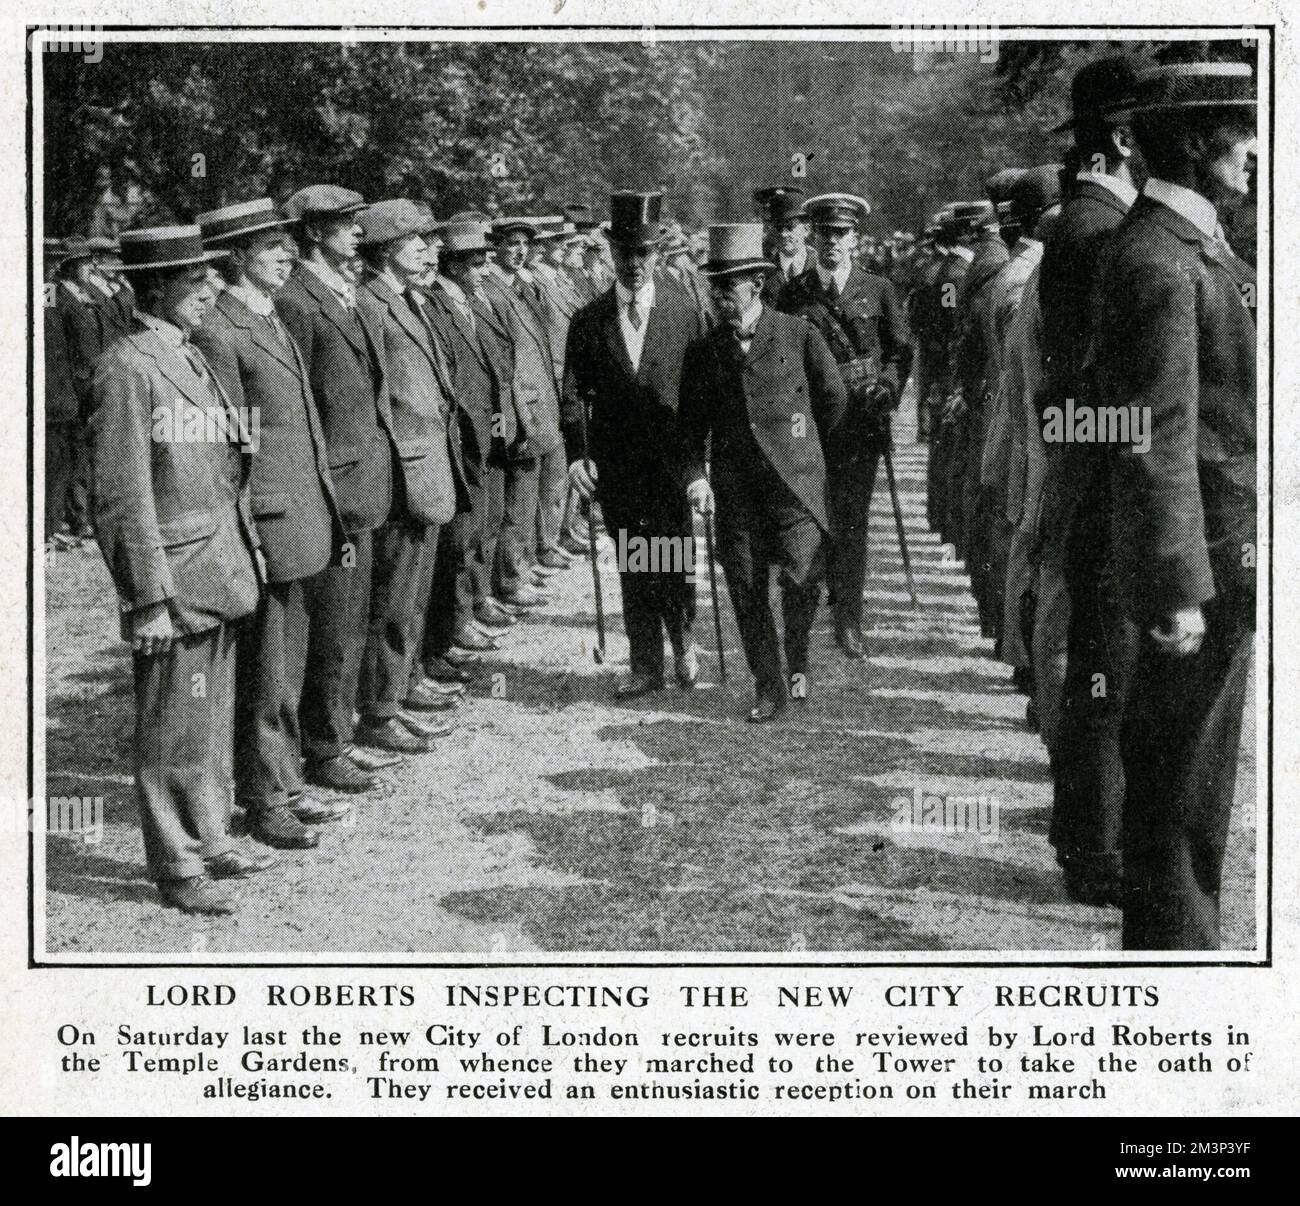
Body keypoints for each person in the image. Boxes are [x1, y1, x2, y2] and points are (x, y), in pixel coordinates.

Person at [1091, 61, 1257, 949]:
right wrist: (1179, 588)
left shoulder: (1185, 247)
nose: (1257, 149)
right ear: (1195, 143)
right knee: (1180, 784)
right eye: (1241, 129)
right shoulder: (1162, 258)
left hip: (1219, 555)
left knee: (1193, 779)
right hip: (1203, 573)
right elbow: (1153, 438)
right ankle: (1176, 965)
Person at [89, 224, 266, 914]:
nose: (211, 291)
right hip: (175, 577)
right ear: (156, 287)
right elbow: (122, 496)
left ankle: (212, 832)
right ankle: (175, 860)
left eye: (212, 279)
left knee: (209, 716)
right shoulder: (127, 367)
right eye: (197, 283)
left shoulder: (185, 355)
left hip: (216, 564)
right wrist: (146, 599)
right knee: (171, 725)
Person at [194, 197, 351, 848]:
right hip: (271, 520)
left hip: (305, 513)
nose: (286, 254)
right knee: (266, 674)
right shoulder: (222, 330)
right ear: (237, 260)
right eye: (270, 249)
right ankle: (264, 801)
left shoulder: (267, 313)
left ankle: (285, 784)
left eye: (287, 245)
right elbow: (229, 448)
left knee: (289, 666)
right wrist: (252, 523)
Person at [1036, 55, 1141, 905]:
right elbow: (1088, 388)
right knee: (1108, 671)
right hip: (1109, 485)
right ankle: (1097, 850)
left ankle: (1085, 837)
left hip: (1089, 477)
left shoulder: (1083, 223)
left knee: (1099, 669)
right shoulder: (1100, 232)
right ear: (1123, 134)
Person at [679, 224, 846, 722]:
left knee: (800, 582)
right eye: (714, 286)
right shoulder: (706, 352)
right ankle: (768, 683)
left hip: (795, 488)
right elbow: (689, 429)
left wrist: (807, 453)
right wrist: (697, 477)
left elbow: (833, 399)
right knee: (748, 591)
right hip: (737, 492)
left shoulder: (798, 335)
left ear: (755, 283)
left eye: (728, 286)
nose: (719, 296)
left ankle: (796, 663)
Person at [276, 185, 398, 790]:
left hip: (362, 480)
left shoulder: (341, 292)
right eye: (346, 225)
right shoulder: (299, 301)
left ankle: (339, 734)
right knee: (332, 625)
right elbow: (300, 408)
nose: (358, 232)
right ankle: (324, 747)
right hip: (333, 488)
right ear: (316, 233)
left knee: (351, 620)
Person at [562, 190, 703, 697]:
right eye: (625, 254)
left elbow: (701, 392)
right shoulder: (588, 320)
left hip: (671, 462)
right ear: (610, 255)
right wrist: (578, 456)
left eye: (643, 254)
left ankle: (684, 637)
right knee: (634, 560)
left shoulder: (685, 313)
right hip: (617, 465)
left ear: (657, 254)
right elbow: (573, 396)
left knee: (672, 555)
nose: (635, 264)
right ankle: (645, 662)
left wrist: (697, 467)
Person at [777, 192, 911, 661]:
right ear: (812, 238)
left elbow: (899, 351)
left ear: (856, 239)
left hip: (859, 428)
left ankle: (848, 616)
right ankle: (807, 608)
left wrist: (889, 389)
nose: (832, 243)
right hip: (810, 427)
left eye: (841, 234)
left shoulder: (878, 290)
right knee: (811, 520)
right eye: (824, 234)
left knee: (851, 522)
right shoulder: (793, 295)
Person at [355, 199, 464, 754]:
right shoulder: (371, 304)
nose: (428, 250)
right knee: (392, 597)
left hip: (427, 465)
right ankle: (378, 708)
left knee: (413, 592)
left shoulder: (405, 299)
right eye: (416, 242)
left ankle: (401, 686)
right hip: (402, 471)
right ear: (385, 250)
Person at [753, 185, 818, 306]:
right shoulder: (764, 272)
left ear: (807, 229)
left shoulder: (821, 266)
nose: (783, 234)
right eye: (778, 228)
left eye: (790, 227)